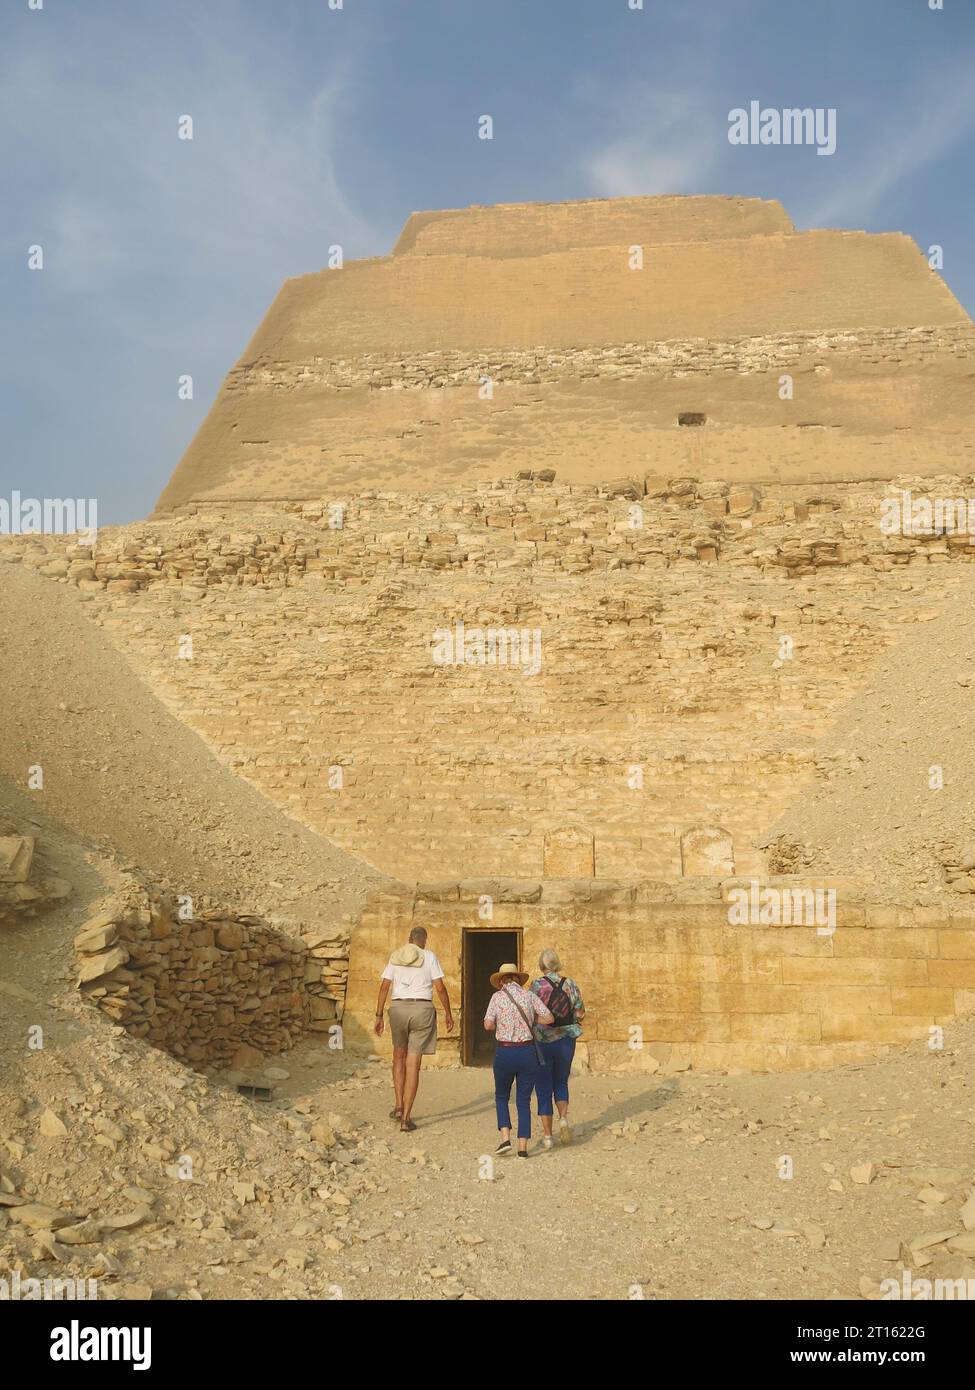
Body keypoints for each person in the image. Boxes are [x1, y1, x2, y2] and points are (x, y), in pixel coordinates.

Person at [374, 927, 454, 1132]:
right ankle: (406, 1119)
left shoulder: (396, 955)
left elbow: (384, 986)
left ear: (409, 939)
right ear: (424, 940)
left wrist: (379, 1015)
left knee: (398, 1057)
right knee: (413, 1063)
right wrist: (448, 1012)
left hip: (398, 1007)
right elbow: (440, 987)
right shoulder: (429, 956)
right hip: (422, 1008)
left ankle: (399, 1105)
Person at [483, 963, 553, 1158]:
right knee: (523, 1100)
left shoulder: (497, 997)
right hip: (527, 1051)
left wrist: (501, 1022)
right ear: (517, 979)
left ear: (502, 980)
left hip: (505, 1051)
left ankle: (505, 1137)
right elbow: (549, 1018)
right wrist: (531, 1020)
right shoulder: (529, 996)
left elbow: (488, 1024)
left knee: (501, 1096)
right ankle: (522, 1148)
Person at [530, 948, 586, 1147]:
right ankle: (563, 1119)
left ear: (542, 965)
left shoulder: (536, 985)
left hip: (543, 1040)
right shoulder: (570, 983)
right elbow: (579, 1013)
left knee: (543, 1085)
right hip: (566, 1040)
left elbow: (530, 1013)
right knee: (561, 1081)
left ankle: (547, 1136)